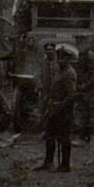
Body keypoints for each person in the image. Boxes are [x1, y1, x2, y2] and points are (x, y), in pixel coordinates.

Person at [36, 44, 77, 173]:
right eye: (59, 58)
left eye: (63, 58)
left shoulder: (69, 73)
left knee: (64, 138)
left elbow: (70, 96)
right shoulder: (60, 71)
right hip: (54, 108)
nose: (60, 60)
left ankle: (65, 165)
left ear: (69, 60)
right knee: (50, 135)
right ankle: (48, 162)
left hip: (63, 111)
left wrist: (60, 107)